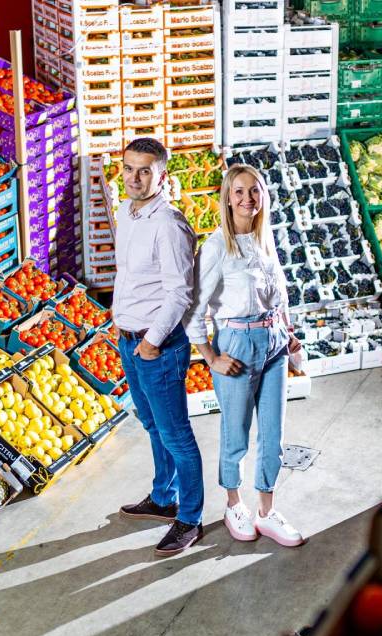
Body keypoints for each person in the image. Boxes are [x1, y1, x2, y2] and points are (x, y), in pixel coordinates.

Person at [184, 165, 304, 547]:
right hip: (235, 345)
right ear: (227, 197)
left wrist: (290, 334)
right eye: (239, 191)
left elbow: (278, 295)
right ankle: (234, 503)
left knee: (274, 435)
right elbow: (193, 308)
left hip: (274, 343)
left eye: (255, 191)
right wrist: (209, 356)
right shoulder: (218, 246)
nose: (247, 199)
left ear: (264, 197)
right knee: (234, 434)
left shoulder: (266, 239)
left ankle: (267, 512)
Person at [113, 138, 205, 556]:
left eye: (144, 170)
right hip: (129, 341)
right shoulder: (126, 213)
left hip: (158, 347)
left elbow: (179, 293)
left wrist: (150, 343)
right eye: (129, 168)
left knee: (177, 435)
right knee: (153, 427)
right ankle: (163, 497)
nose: (135, 178)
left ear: (162, 175)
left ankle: (190, 519)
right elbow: (130, 278)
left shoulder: (169, 224)